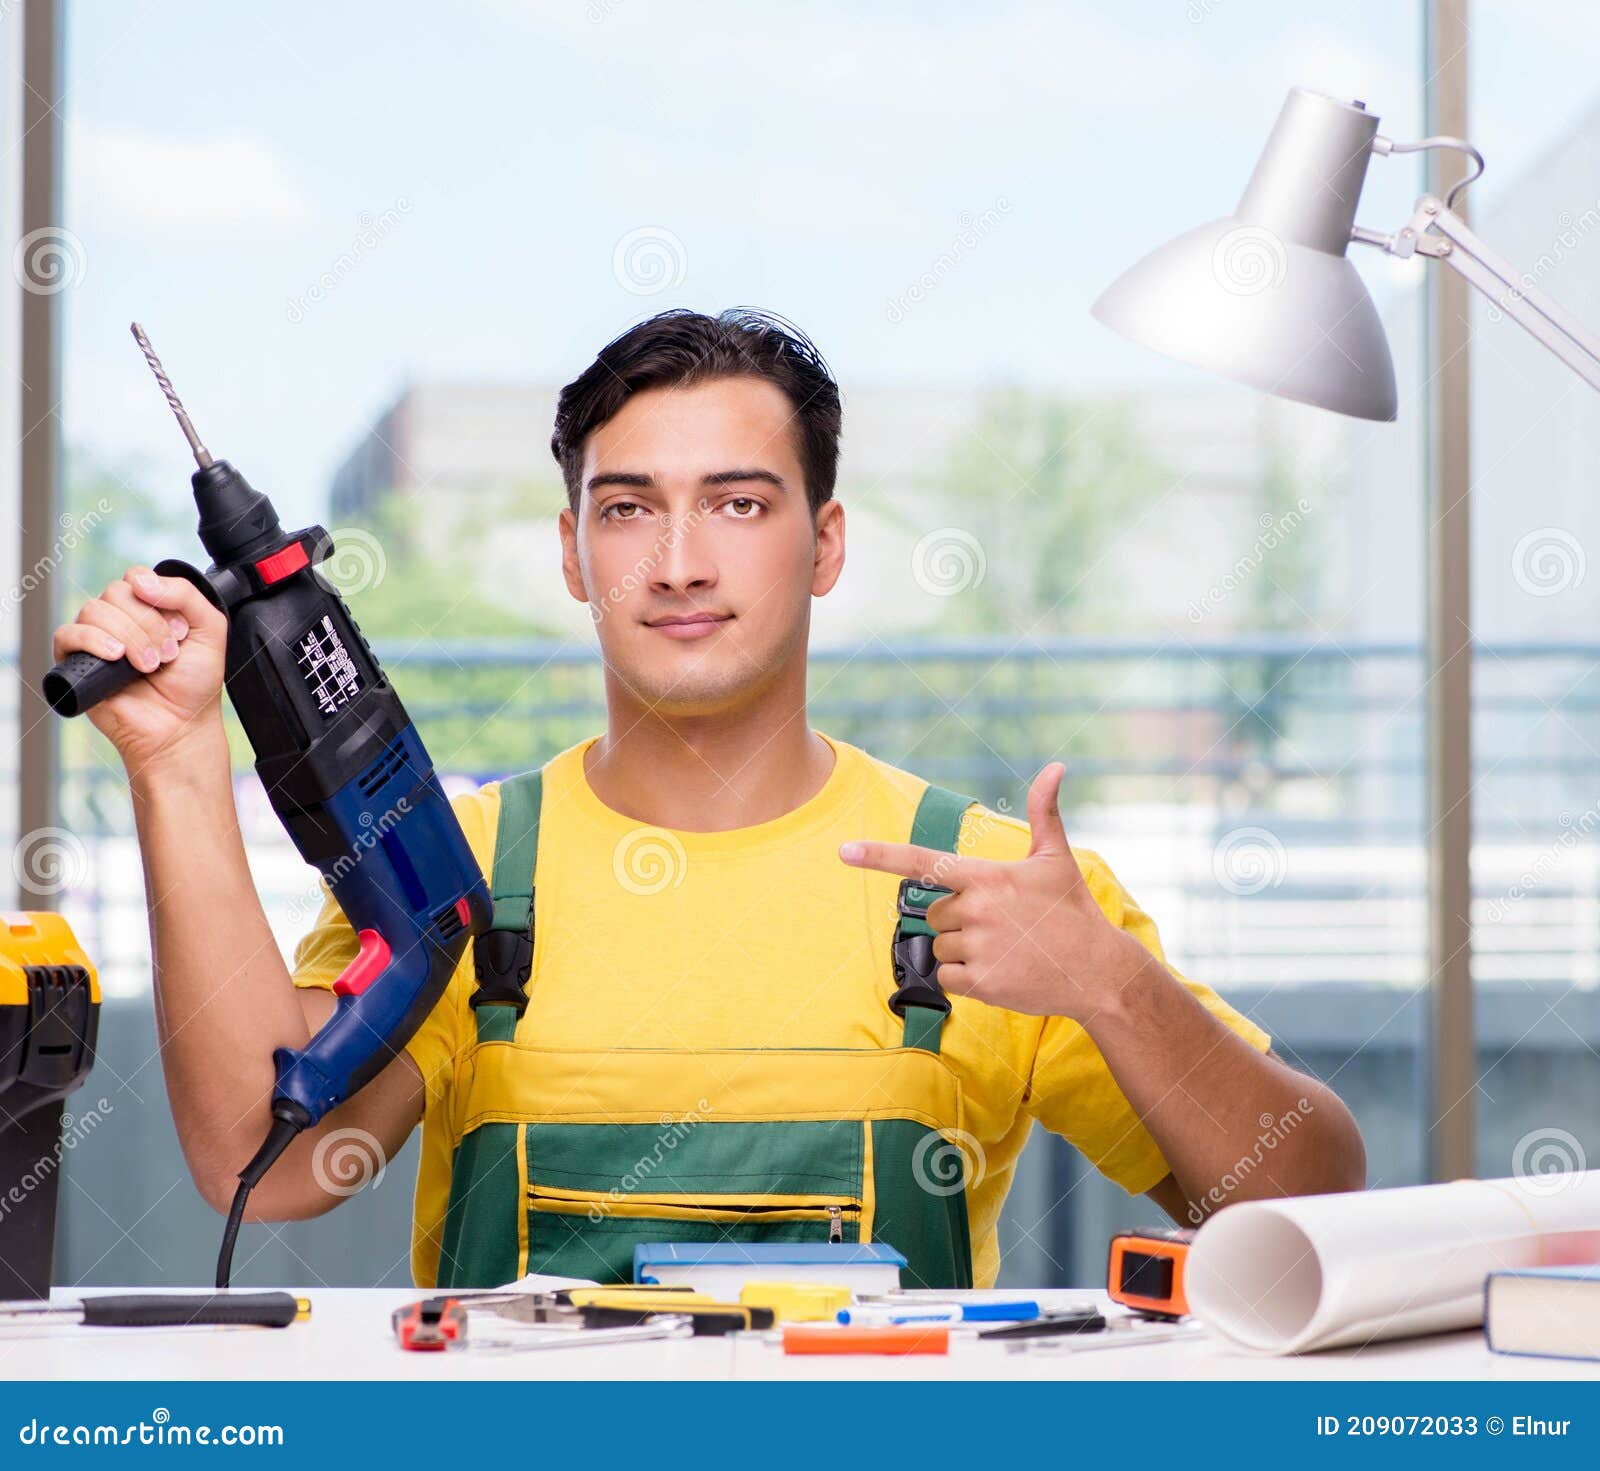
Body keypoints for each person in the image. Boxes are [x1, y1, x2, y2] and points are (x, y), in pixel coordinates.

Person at [53, 307, 1364, 1290]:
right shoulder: (463, 874)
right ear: (572, 551)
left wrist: (1113, 987)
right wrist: (176, 766)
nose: (680, 563)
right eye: (628, 510)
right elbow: (256, 1167)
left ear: (827, 542)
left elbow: (1306, 1204)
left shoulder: (984, 883)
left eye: (738, 503)